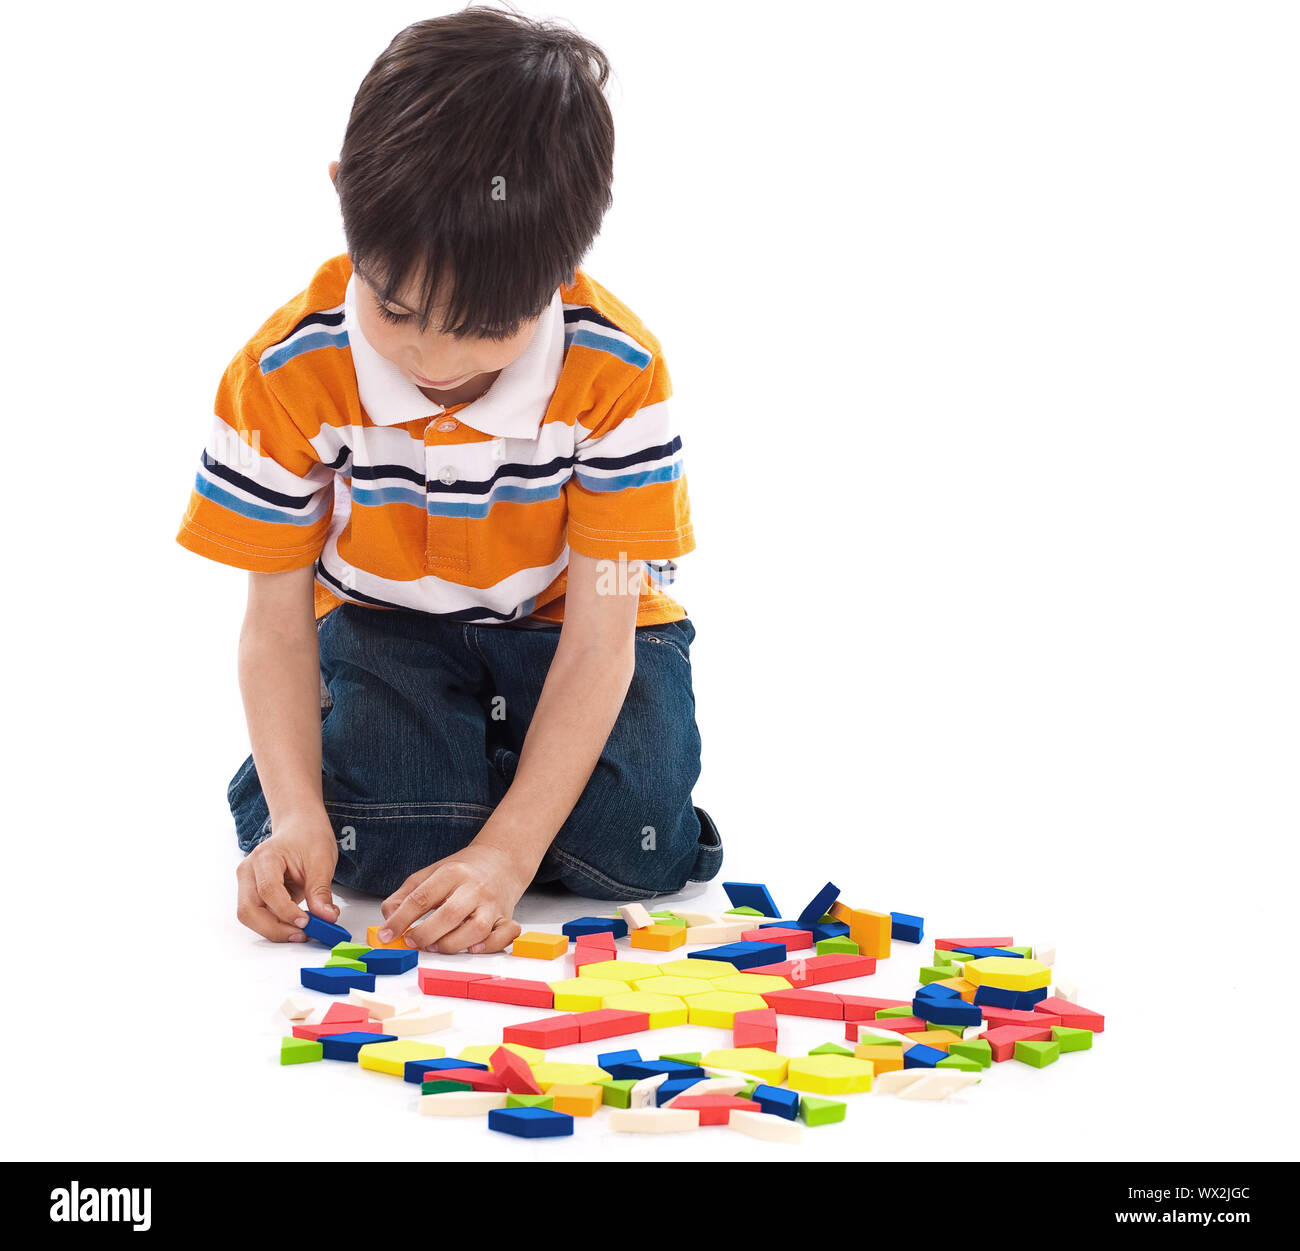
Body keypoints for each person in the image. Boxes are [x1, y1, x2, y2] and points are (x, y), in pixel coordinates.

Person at [176, 6, 721, 955]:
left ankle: (489, 786)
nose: (431, 355)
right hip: (390, 627)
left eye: (483, 328)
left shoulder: (619, 374)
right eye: (395, 306)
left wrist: (507, 856)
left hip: (572, 635)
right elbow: (272, 620)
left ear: (566, 266)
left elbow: (605, 639)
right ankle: (326, 779)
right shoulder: (281, 373)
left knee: (632, 855)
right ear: (346, 196)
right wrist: (297, 816)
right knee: (378, 845)